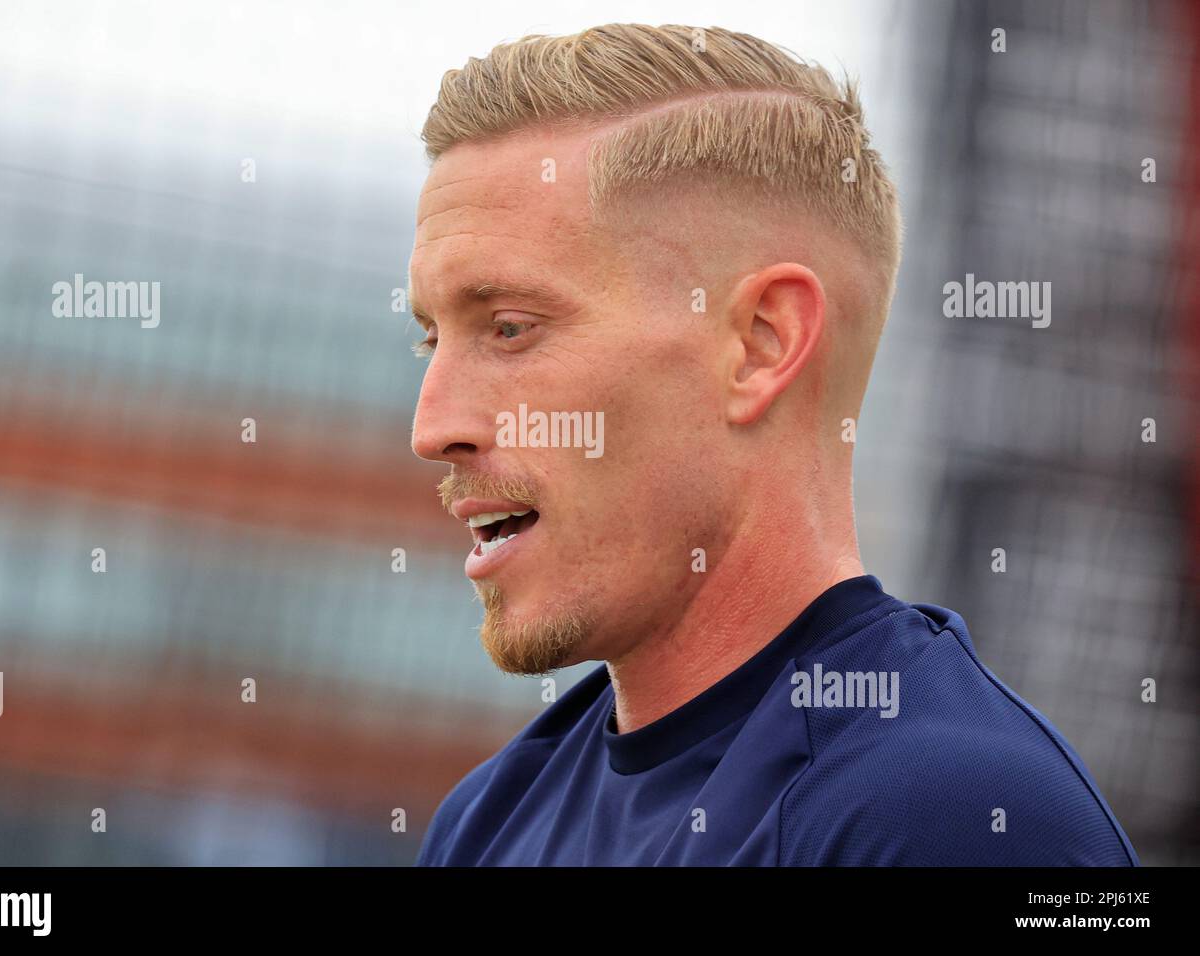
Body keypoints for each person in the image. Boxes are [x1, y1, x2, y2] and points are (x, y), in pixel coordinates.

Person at [404, 23, 1138, 865]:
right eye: (431, 339)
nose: (433, 428)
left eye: (509, 328)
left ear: (760, 343)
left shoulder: (957, 818)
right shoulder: (486, 822)